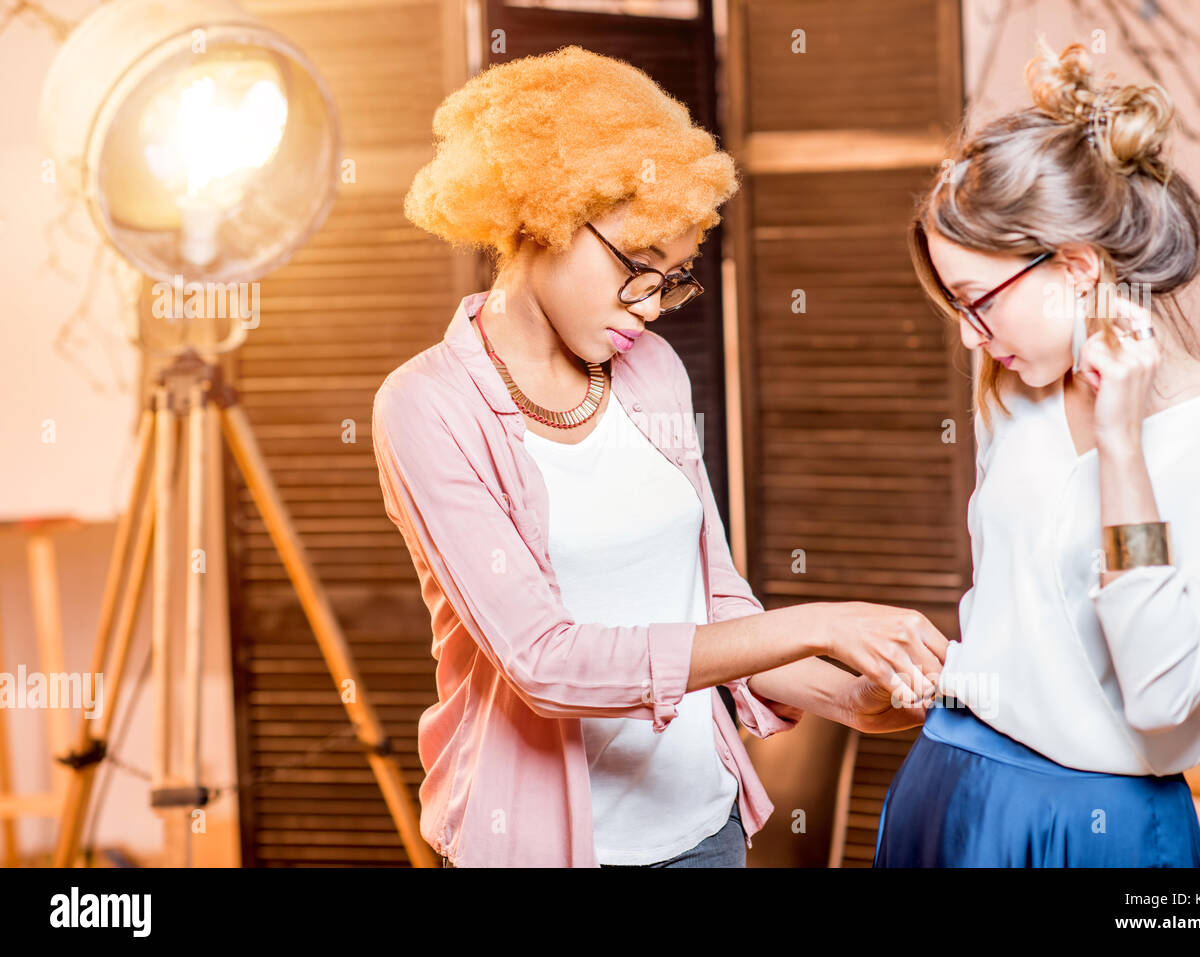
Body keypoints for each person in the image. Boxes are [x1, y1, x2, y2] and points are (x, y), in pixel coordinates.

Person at [372, 45, 949, 868]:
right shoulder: (427, 406)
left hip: (705, 832)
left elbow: (715, 604)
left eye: (674, 280)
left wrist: (844, 696)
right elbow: (547, 662)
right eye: (638, 270)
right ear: (544, 215)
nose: (649, 308)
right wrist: (822, 622)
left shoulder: (651, 372)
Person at [873, 39, 1200, 868]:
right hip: (948, 780)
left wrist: (1122, 448)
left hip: (1094, 822)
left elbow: (1162, 689)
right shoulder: (1017, 394)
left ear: (1075, 267)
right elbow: (1015, 620)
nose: (968, 335)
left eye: (976, 301)